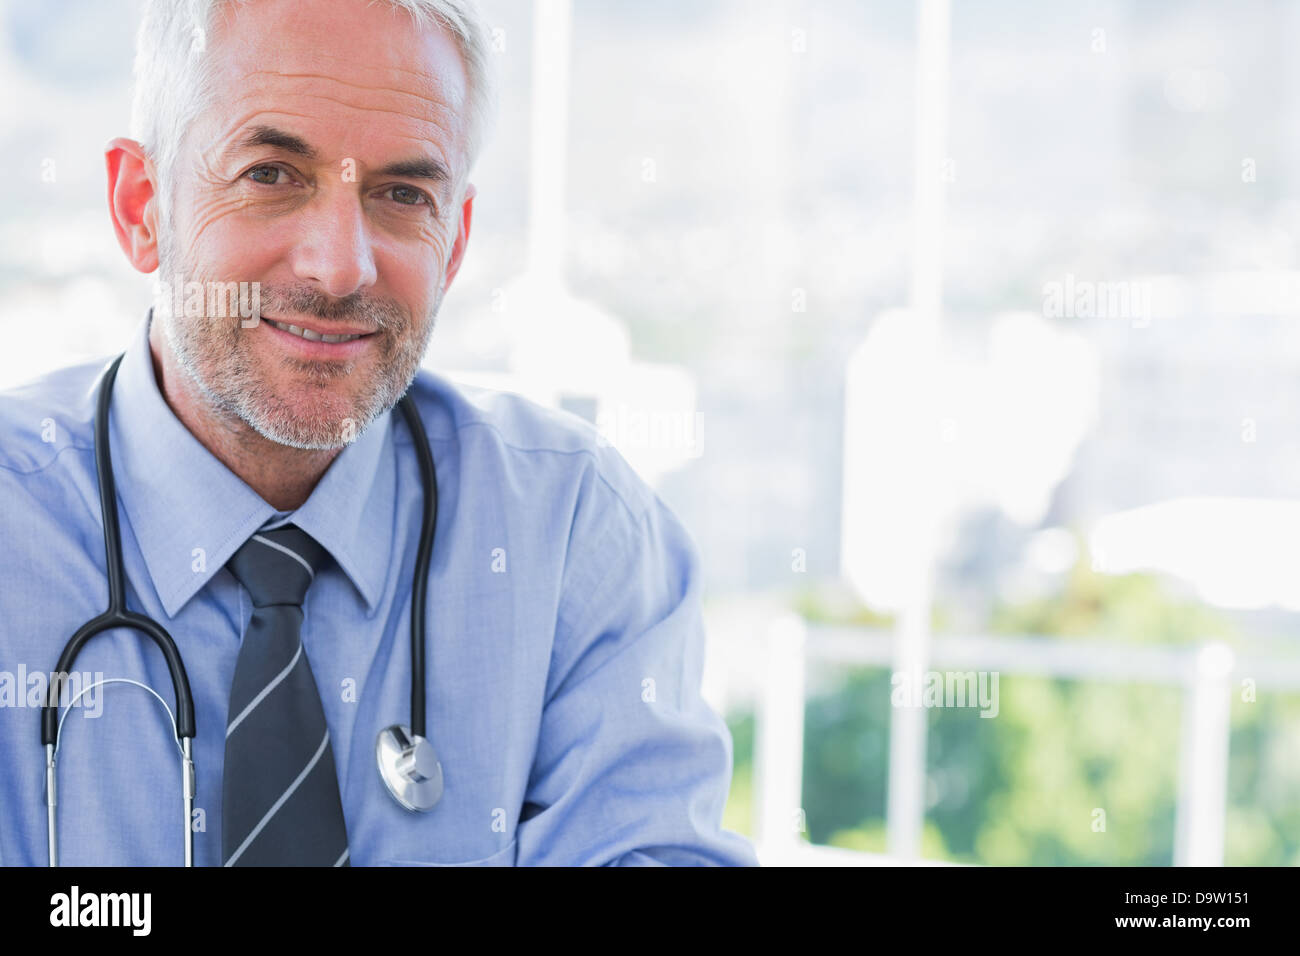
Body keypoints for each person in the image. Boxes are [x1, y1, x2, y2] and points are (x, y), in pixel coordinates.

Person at [0, 0, 758, 867]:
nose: (341, 265)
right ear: (140, 206)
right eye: (271, 174)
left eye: (402, 194)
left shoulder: (575, 532)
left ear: (457, 242)